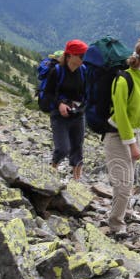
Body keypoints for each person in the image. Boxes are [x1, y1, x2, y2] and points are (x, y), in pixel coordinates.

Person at [104, 37, 140, 237]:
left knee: (128, 178)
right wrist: (132, 146)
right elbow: (120, 114)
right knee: (124, 183)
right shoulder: (123, 80)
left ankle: (125, 212)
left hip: (136, 133)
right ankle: (116, 224)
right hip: (116, 136)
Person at [50, 39, 88, 180]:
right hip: (59, 116)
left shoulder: (83, 71)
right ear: (70, 55)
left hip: (77, 114)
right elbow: (49, 93)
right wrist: (60, 104)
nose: (84, 60)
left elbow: (86, 92)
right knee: (63, 149)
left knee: (77, 147)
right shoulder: (57, 71)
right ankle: (52, 170)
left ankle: (77, 179)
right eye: (81, 56)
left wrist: (82, 106)